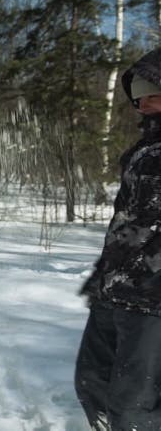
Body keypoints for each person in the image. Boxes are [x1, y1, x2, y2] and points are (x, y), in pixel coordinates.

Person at [75, 48, 161, 430]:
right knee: (92, 384)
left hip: (154, 300)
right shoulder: (143, 149)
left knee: (134, 407)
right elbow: (129, 220)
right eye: (138, 92)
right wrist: (104, 273)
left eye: (152, 90)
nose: (142, 100)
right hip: (117, 289)